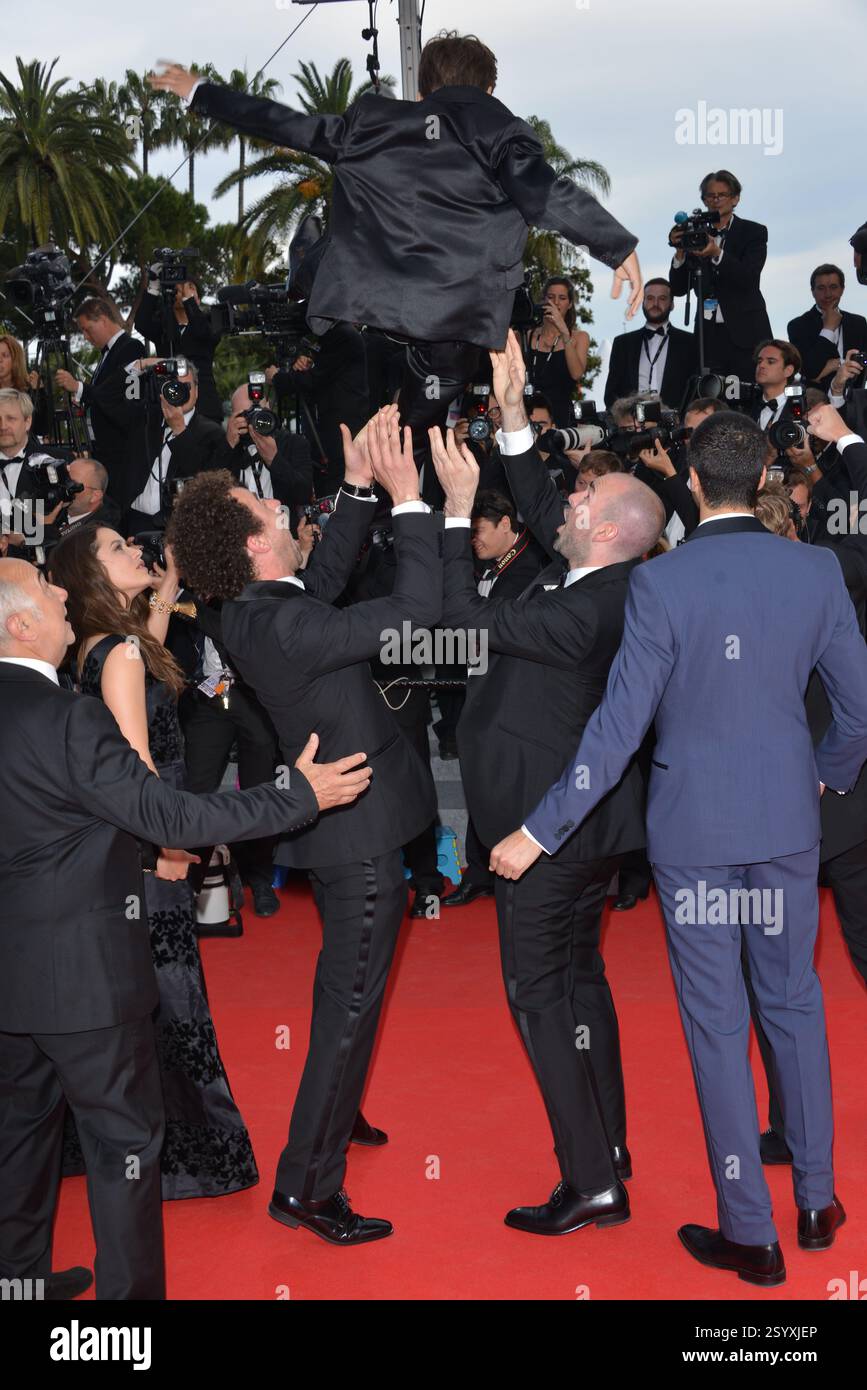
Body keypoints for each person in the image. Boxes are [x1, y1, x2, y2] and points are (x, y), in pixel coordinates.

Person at [491, 409, 867, 1285]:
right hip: (784, 825)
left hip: (695, 836)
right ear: (764, 476)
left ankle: (751, 1231)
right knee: (795, 1007)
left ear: (692, 483)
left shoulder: (662, 584)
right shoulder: (813, 570)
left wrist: (538, 830)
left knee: (716, 1027)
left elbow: (615, 734)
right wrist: (823, 776)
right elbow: (857, 708)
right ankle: (815, 1200)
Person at [0, 556, 371, 1299]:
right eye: (47, 589)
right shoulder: (68, 714)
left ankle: (18, 1286)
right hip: (85, 981)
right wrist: (295, 795)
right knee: (125, 1146)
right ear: (20, 624)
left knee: (18, 1138)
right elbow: (167, 815)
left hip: (11, 980)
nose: (62, 594)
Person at [167, 407, 442, 1244]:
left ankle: (338, 1109)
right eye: (268, 517)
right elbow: (420, 610)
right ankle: (307, 1186)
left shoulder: (262, 607)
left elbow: (317, 583)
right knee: (348, 1010)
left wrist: (358, 485)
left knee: (347, 999)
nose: (282, 513)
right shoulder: (283, 620)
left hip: (344, 830)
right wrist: (409, 501)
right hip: (355, 841)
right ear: (253, 547)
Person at [149, 32, 642, 481]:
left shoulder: (376, 122)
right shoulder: (502, 130)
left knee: (391, 403)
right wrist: (614, 245)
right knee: (420, 412)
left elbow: (290, 127)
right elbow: (544, 193)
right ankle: (391, 460)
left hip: (377, 301)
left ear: (422, 92)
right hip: (455, 318)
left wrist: (201, 92)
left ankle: (374, 465)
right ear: (489, 89)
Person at [433, 331, 661, 1233]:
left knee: (539, 998)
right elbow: (539, 497)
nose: (566, 497)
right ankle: (605, 1145)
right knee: (580, 987)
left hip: (548, 834)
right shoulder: (603, 581)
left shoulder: (578, 613)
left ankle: (592, 1181)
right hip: (590, 836)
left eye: (583, 495)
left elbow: (457, 615)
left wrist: (454, 512)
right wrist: (515, 414)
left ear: (603, 528)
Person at [47, 524, 274, 1198]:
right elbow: (137, 769)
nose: (133, 555)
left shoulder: (102, 644)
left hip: (131, 848)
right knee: (173, 1000)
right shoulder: (118, 655)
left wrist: (168, 574)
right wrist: (170, 849)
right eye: (118, 550)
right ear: (93, 577)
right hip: (151, 844)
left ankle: (102, 1146)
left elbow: (146, 628)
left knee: (141, 999)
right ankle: (192, 1157)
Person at [669, 170, 771, 382]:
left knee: (747, 395)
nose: (715, 201)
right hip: (708, 337)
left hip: (746, 334)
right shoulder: (696, 233)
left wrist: (717, 254)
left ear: (735, 198)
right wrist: (679, 250)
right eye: (710, 196)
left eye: (721, 195)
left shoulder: (753, 232)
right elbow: (678, 289)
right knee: (710, 400)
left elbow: (748, 278)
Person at [54, 297, 142, 495]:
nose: (85, 336)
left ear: (103, 319)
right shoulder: (106, 354)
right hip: (103, 450)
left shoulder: (130, 347)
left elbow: (122, 396)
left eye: (87, 329)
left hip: (122, 450)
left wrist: (79, 387)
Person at [135, 270, 223, 423]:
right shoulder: (164, 327)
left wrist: (188, 300)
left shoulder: (209, 322)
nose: (183, 291)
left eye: (190, 287)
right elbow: (142, 324)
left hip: (204, 408)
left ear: (198, 298)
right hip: (169, 405)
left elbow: (203, 333)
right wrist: (154, 287)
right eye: (178, 288)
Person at [604, 278, 696, 410]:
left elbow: (694, 391)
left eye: (662, 298)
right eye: (650, 298)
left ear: (672, 304)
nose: (655, 303)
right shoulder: (622, 344)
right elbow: (611, 394)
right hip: (631, 424)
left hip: (676, 424)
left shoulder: (690, 343)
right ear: (643, 302)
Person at [787, 264, 867, 389]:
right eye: (821, 288)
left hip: (854, 401)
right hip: (814, 401)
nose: (828, 294)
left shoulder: (858, 323)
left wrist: (837, 364)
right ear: (813, 291)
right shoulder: (798, 325)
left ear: (842, 289)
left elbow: (863, 364)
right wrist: (828, 329)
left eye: (833, 287)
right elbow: (808, 370)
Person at [525, 277, 589, 426]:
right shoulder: (527, 335)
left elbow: (576, 373)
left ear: (570, 304)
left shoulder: (579, 337)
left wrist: (564, 332)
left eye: (562, 298)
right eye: (551, 297)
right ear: (543, 300)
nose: (556, 302)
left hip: (561, 415)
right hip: (528, 413)